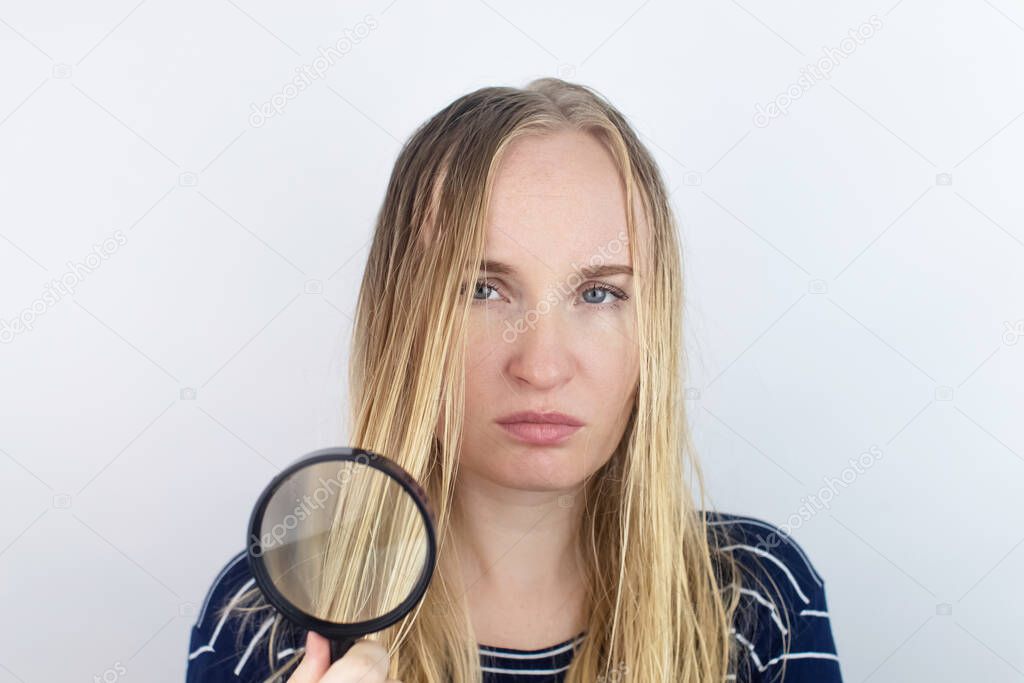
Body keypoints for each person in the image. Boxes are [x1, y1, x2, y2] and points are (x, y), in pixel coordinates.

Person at [186, 77, 843, 682]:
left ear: (654, 322)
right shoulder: (267, 618)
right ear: (401, 319)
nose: (542, 365)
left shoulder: (756, 598)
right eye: (482, 288)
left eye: (598, 294)